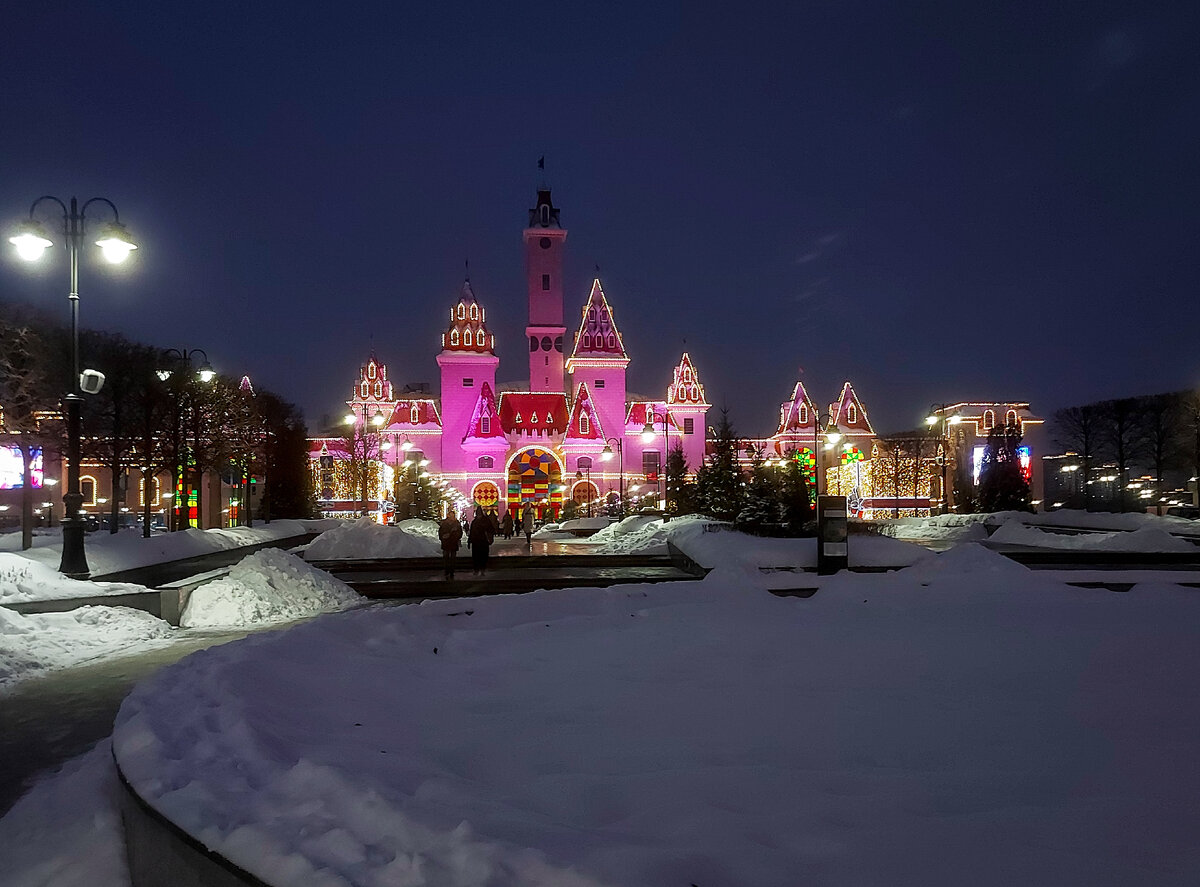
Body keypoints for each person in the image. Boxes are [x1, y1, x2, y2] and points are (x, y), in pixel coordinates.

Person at [438, 508, 463, 579]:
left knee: (452, 558)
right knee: (446, 558)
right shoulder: (444, 523)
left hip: (453, 543)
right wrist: (443, 537)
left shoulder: (456, 523)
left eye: (453, 515)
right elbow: (440, 532)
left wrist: (456, 536)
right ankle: (447, 570)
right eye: (450, 515)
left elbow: (460, 533)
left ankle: (451, 571)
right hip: (446, 543)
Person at [468, 508, 494, 576]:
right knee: (478, 556)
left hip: (482, 541)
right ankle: (479, 569)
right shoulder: (482, 521)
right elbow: (472, 532)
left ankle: (481, 569)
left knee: (481, 556)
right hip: (478, 541)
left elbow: (490, 530)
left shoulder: (476, 521)